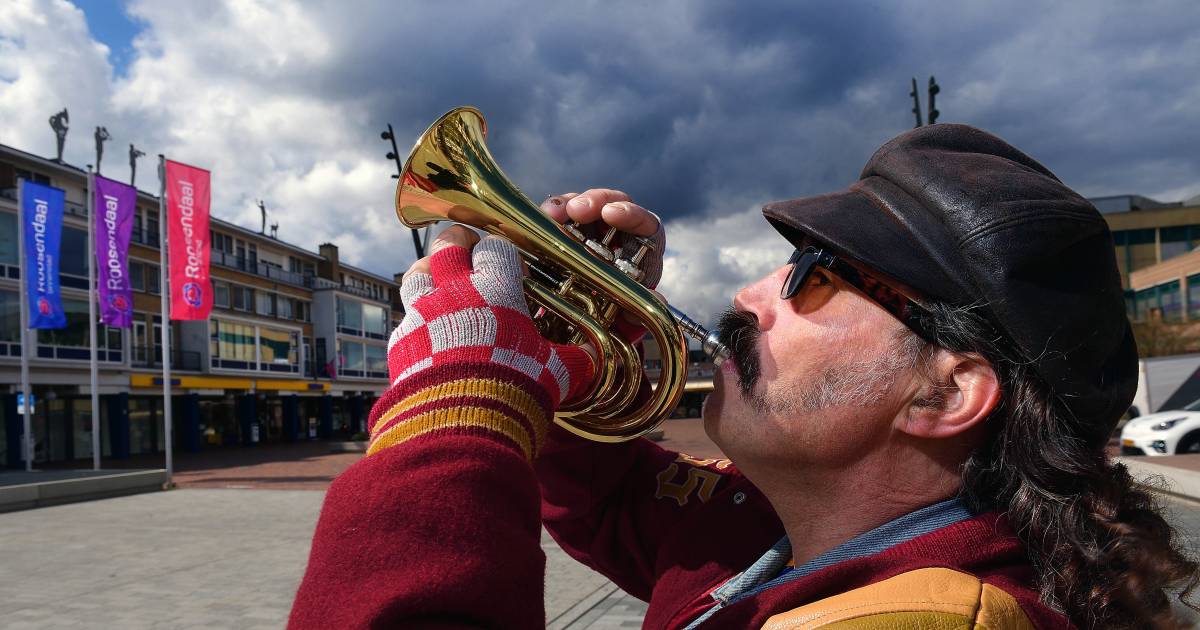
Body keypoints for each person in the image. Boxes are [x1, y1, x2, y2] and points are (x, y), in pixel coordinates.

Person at [288, 124, 1198, 629]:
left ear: (946, 392)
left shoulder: (931, 621)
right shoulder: (779, 524)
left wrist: (455, 407)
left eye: (816, 276)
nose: (748, 291)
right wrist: (569, 337)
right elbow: (611, 508)